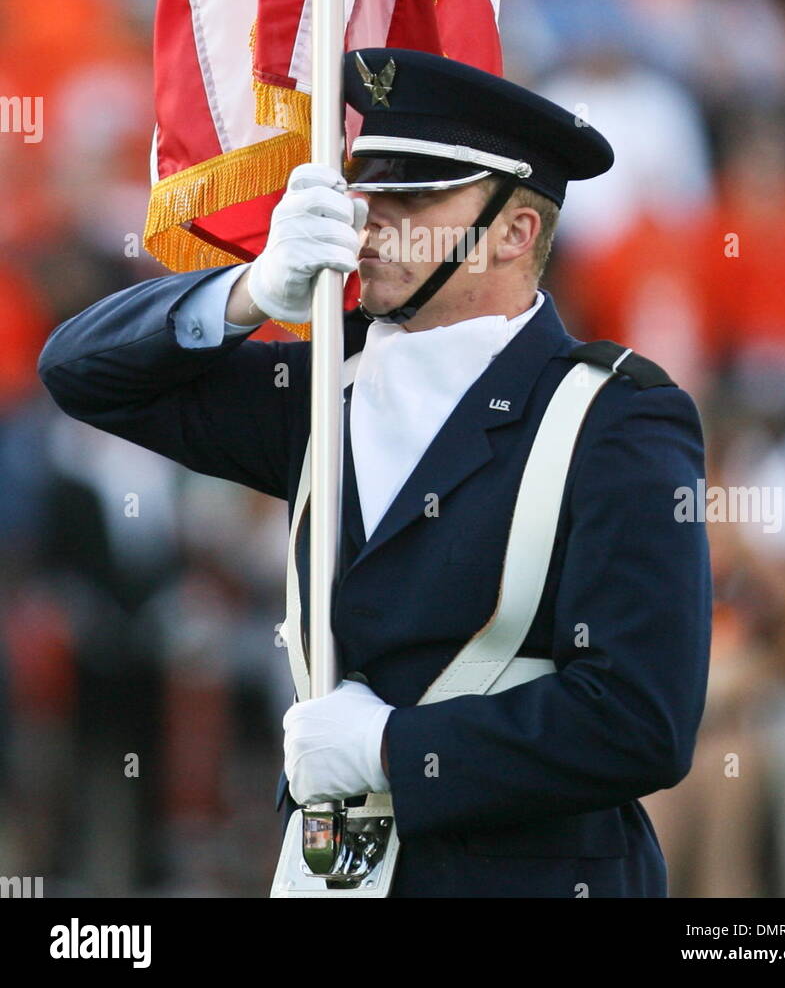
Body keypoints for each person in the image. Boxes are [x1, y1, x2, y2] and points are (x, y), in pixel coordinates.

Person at [38, 47, 712, 898]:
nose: (372, 219)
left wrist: (392, 748)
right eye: (370, 190)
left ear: (515, 231)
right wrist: (248, 294)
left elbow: (640, 722)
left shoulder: (614, 415)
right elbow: (79, 372)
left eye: (416, 197)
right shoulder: (324, 386)